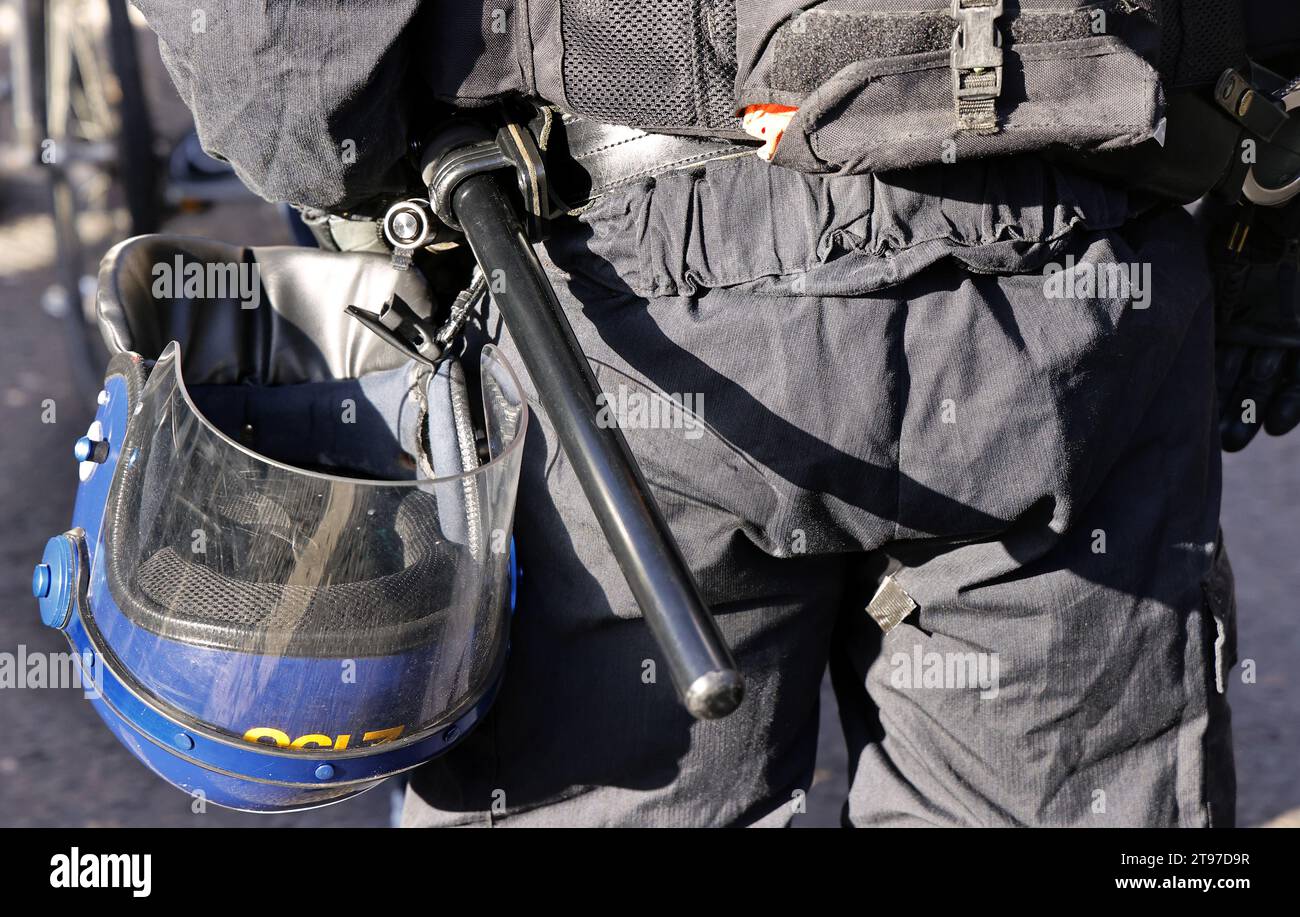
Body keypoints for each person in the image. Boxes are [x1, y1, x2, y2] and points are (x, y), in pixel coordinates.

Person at [126, 1, 1300, 826]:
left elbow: (285, 65)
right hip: (1062, 277)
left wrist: (351, 189)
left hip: (607, 293)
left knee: (597, 802)